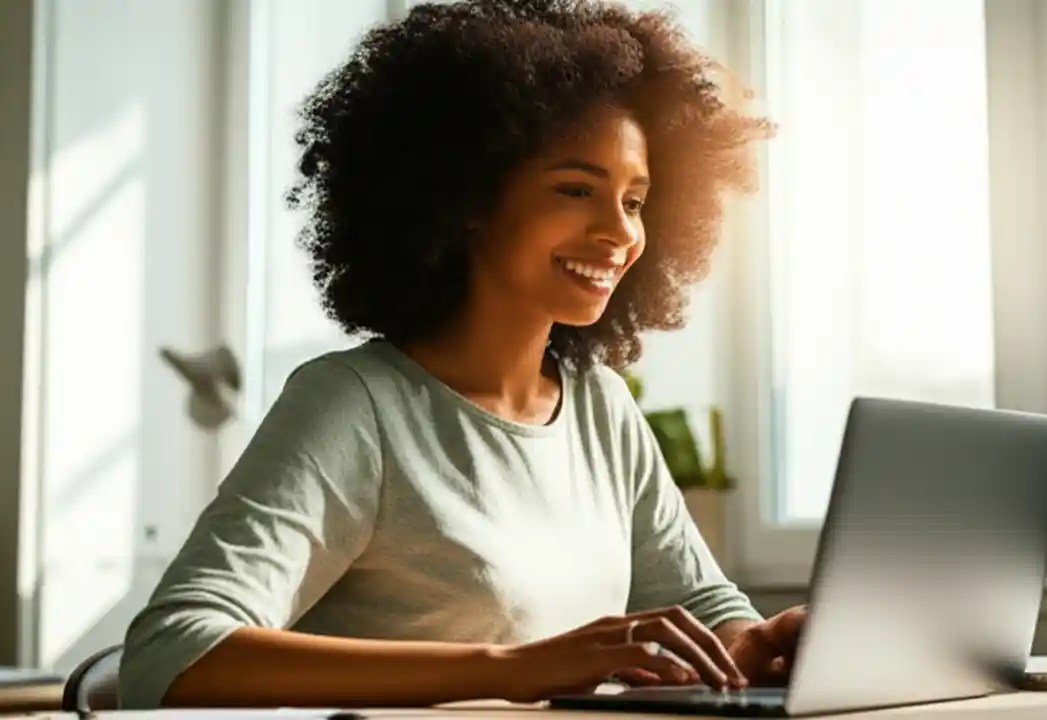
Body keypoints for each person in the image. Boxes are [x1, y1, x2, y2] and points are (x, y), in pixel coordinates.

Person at [118, 0, 804, 709]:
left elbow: (695, 598)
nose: (619, 233)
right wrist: (510, 668)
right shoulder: (356, 404)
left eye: (635, 201)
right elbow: (172, 654)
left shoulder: (601, 406)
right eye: (576, 190)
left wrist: (751, 642)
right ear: (468, 196)